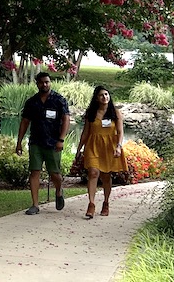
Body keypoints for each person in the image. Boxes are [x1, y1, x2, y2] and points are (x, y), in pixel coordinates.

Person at [15, 71, 70, 215]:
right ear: (37, 84)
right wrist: (19, 142)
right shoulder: (31, 102)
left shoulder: (59, 100)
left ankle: (58, 191)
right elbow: (25, 122)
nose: (44, 84)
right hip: (36, 142)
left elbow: (66, 119)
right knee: (34, 171)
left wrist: (61, 139)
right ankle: (35, 205)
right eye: (41, 82)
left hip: (53, 142)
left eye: (47, 82)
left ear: (50, 82)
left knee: (55, 174)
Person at [76, 85, 127, 219]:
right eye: (101, 95)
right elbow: (86, 132)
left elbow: (121, 132)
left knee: (106, 176)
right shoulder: (91, 113)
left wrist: (119, 146)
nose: (104, 97)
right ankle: (91, 204)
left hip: (109, 147)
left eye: (106, 94)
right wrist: (79, 148)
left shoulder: (115, 113)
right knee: (93, 172)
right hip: (93, 145)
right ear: (96, 98)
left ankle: (106, 202)